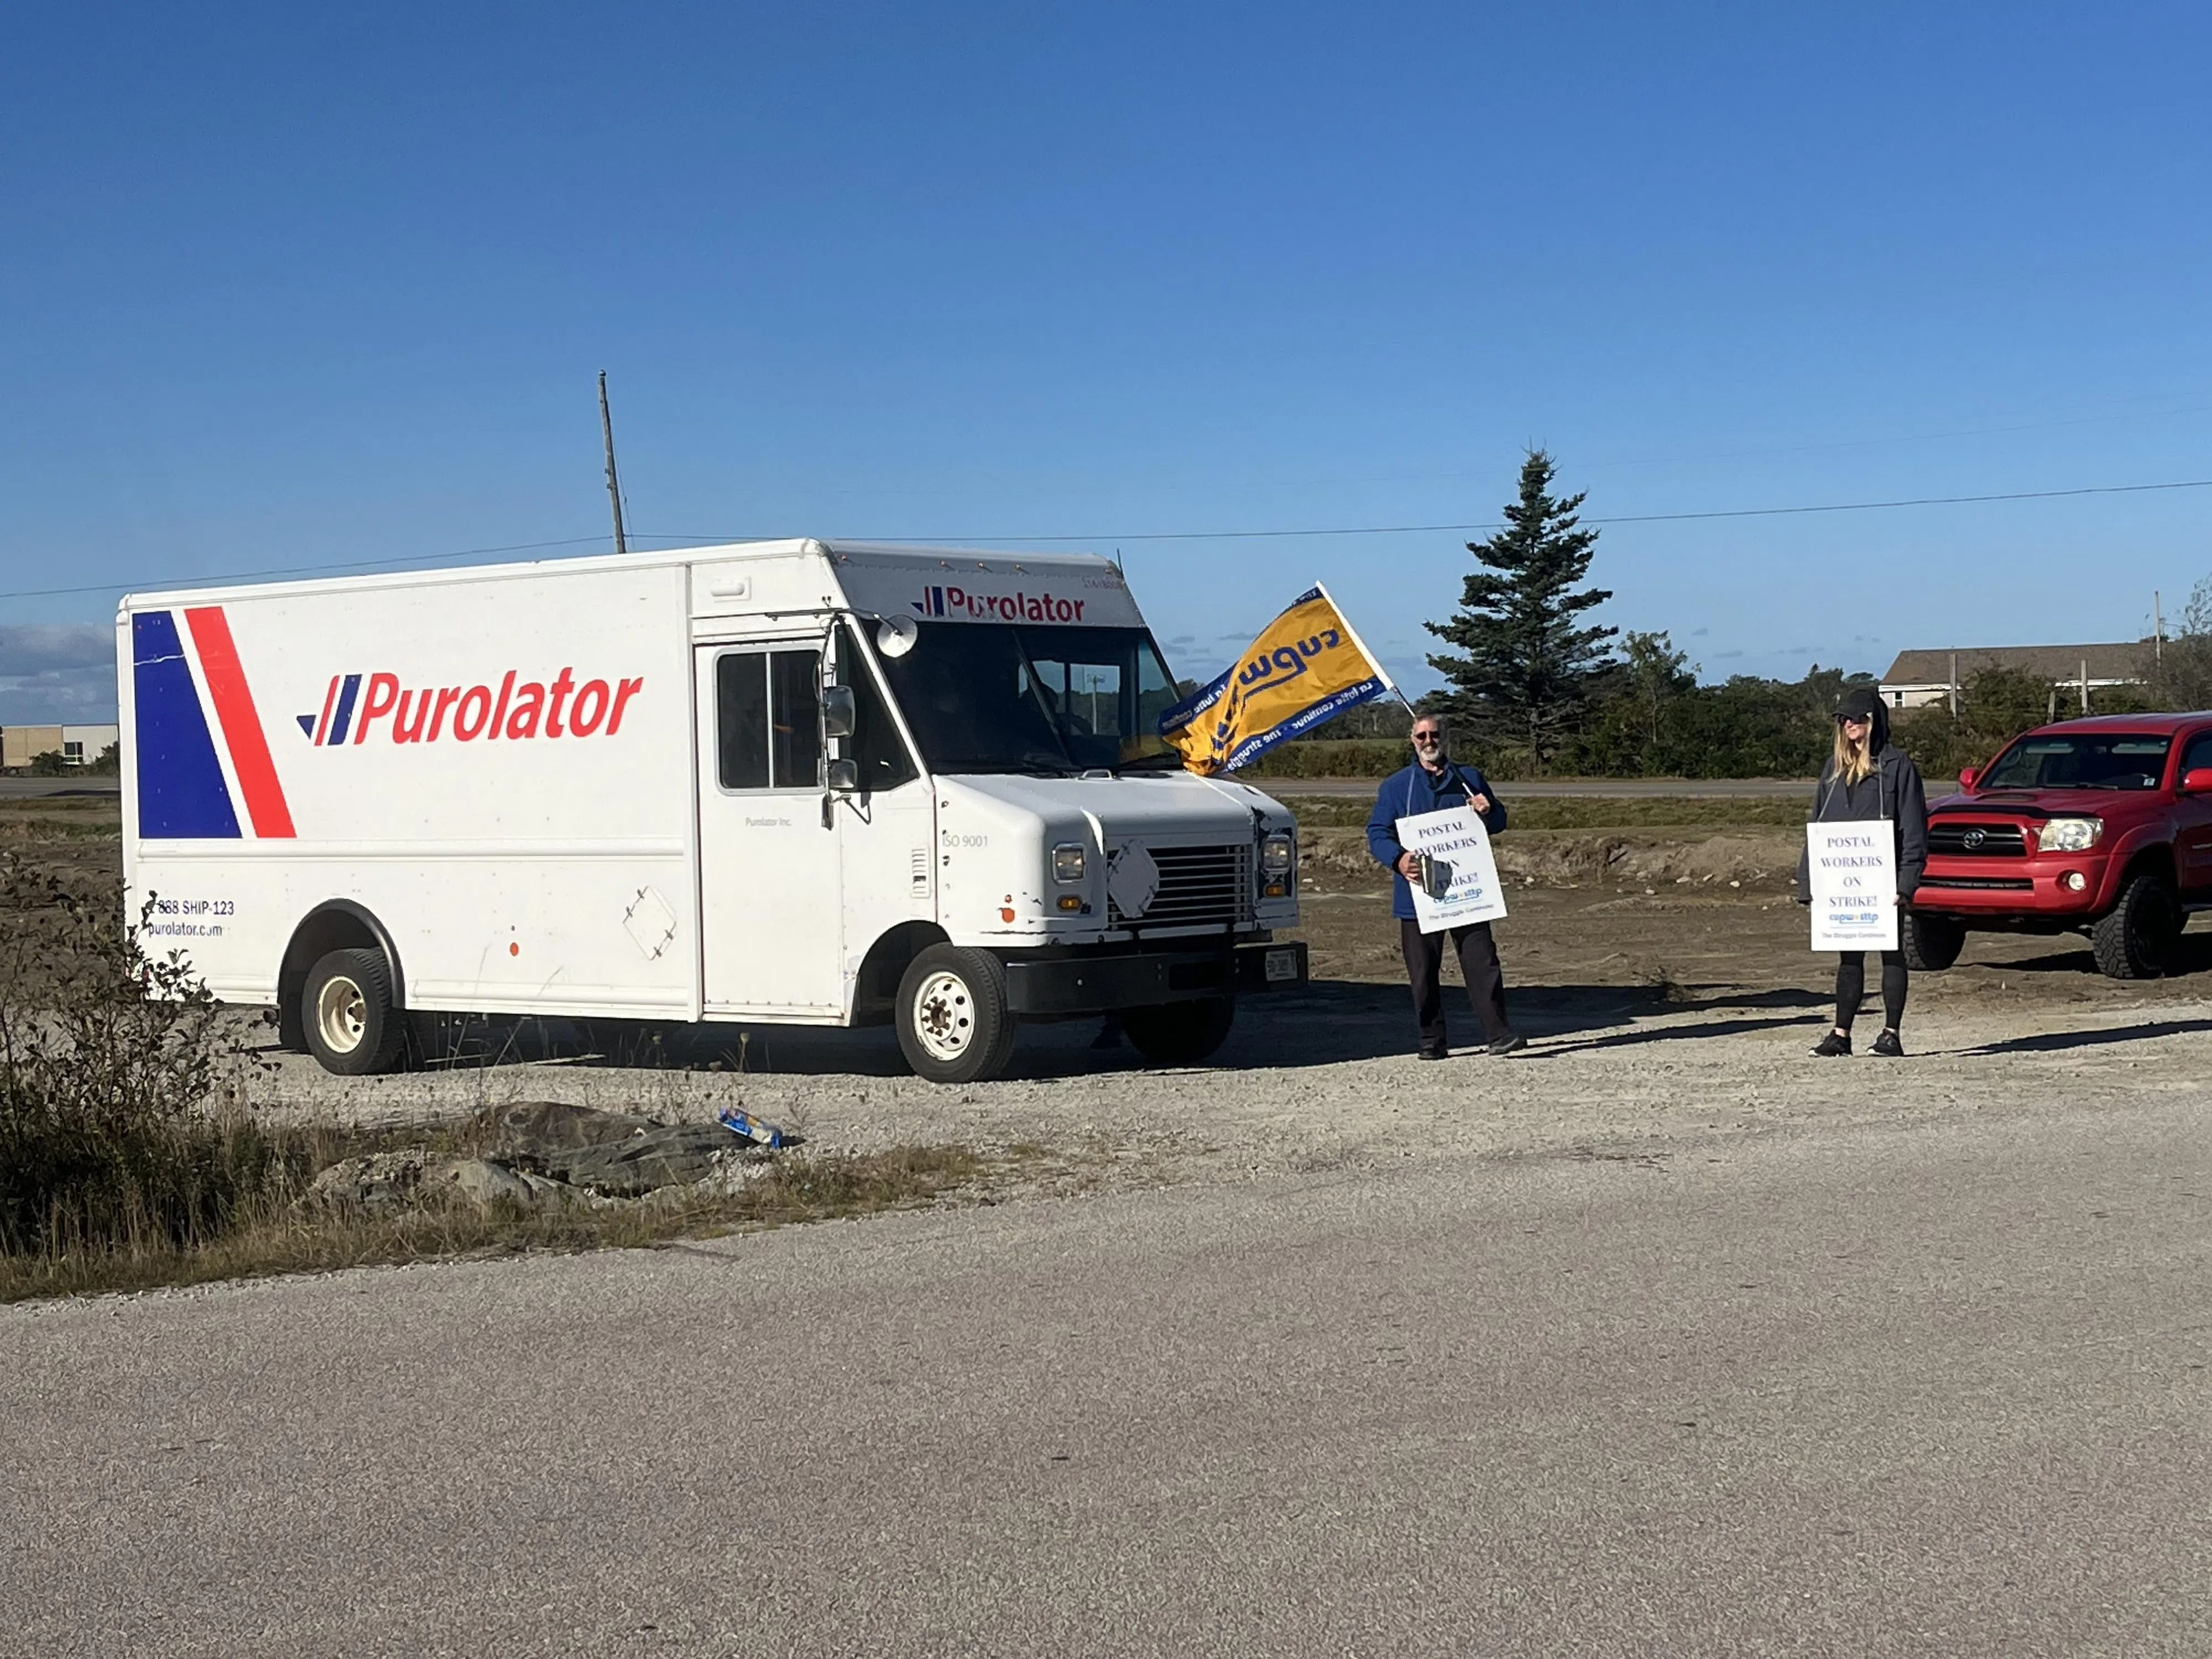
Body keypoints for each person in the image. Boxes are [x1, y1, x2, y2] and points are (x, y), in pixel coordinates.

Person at [1365, 713, 1525, 1060]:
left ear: (1445, 738)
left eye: (1434, 735)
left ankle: (1499, 1034)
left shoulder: (1468, 778)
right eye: (1421, 736)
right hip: (1417, 898)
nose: (1428, 742)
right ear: (1412, 740)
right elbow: (1377, 832)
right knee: (1422, 973)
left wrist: (1488, 809)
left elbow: (1498, 822)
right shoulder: (1395, 787)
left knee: (1483, 963)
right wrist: (1397, 859)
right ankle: (1431, 1040)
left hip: (1468, 893)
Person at [1796, 686, 1928, 1057]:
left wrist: (1906, 884)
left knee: (1892, 953)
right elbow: (1817, 828)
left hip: (1884, 885)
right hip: (1841, 886)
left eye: (1858, 717)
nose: (1850, 724)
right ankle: (1841, 1034)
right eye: (1844, 718)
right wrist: (1808, 881)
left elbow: (1915, 832)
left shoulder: (1899, 767)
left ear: (1874, 720)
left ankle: (1891, 1034)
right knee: (1848, 957)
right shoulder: (1832, 770)